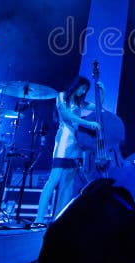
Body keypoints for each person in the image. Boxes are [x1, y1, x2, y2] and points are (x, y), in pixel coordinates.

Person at [31, 75, 104, 227]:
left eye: (85, 90)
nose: (83, 91)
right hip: (64, 140)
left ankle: (58, 219)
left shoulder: (80, 102)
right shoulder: (61, 96)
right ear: (76, 85)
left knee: (69, 182)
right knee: (54, 179)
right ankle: (39, 218)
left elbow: (98, 108)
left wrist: (102, 92)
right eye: (82, 88)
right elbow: (65, 115)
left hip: (76, 143)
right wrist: (87, 123)